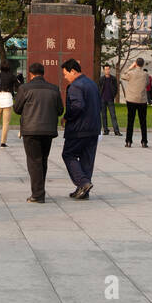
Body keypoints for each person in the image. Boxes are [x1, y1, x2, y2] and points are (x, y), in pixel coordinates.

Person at [13, 62, 63, 202]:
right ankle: (39, 190)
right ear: (43, 73)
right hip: (48, 130)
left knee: (34, 161)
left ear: (30, 73)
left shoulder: (24, 88)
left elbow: (17, 109)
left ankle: (38, 194)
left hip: (31, 130)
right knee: (43, 160)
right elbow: (60, 110)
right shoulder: (54, 89)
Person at [61, 58, 102, 199]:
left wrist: (67, 117)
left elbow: (77, 106)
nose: (65, 78)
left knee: (68, 154)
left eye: (66, 74)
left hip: (79, 129)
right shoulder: (92, 84)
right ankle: (83, 190)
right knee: (87, 159)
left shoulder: (76, 86)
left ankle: (83, 183)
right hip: (94, 127)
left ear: (73, 71)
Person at [121, 58, 149, 148]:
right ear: (142, 64)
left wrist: (130, 68)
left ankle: (128, 141)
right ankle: (144, 141)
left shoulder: (131, 73)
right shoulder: (145, 74)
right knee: (143, 121)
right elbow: (147, 83)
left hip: (131, 99)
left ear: (136, 64)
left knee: (130, 121)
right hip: (142, 100)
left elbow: (122, 75)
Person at [0, 61, 18, 147]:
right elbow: (18, 85)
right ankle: (3, 142)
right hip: (8, 99)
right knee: (6, 123)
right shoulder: (12, 76)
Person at [98, 64, 121, 136]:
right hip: (103, 100)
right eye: (106, 69)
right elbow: (99, 88)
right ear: (104, 70)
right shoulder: (101, 79)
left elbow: (116, 88)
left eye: (108, 69)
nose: (107, 71)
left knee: (113, 115)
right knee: (104, 116)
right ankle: (105, 130)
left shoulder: (113, 78)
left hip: (110, 99)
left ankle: (116, 131)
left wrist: (113, 95)